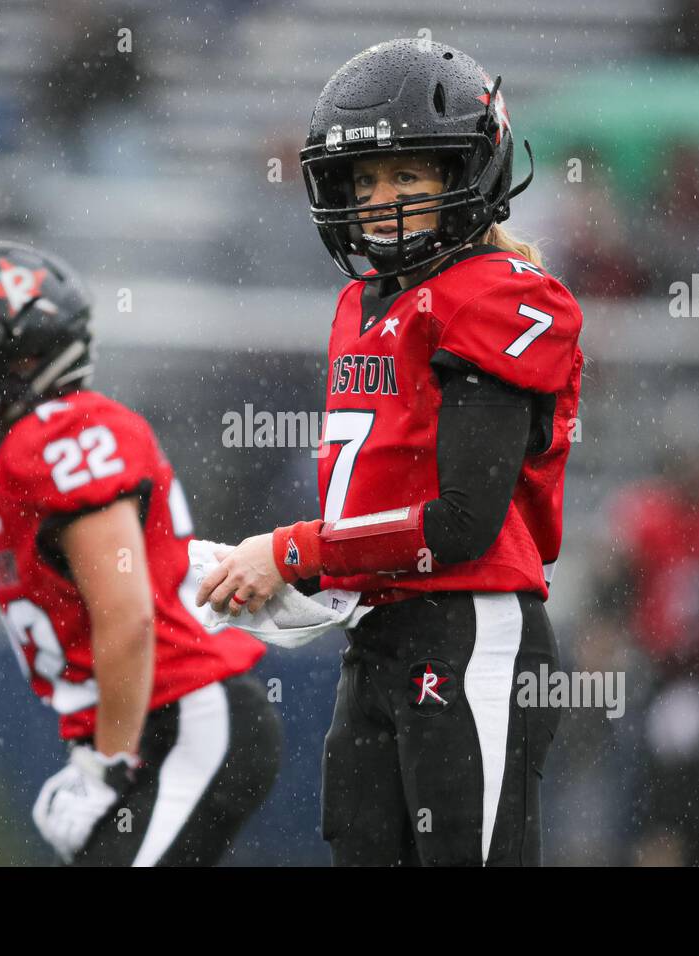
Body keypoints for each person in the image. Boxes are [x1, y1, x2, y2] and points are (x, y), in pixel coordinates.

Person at [196, 39, 584, 867]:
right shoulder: (361, 302)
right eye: (365, 179)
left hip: (470, 628)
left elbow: (460, 524)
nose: (381, 200)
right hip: (381, 633)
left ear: (465, 173)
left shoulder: (499, 295)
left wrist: (295, 552)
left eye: (408, 175)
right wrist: (321, 577)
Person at [0, 240, 280, 866]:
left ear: (18, 354)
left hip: (191, 718)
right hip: (156, 727)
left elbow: (127, 616)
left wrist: (105, 765)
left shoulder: (59, 435)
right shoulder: (18, 452)